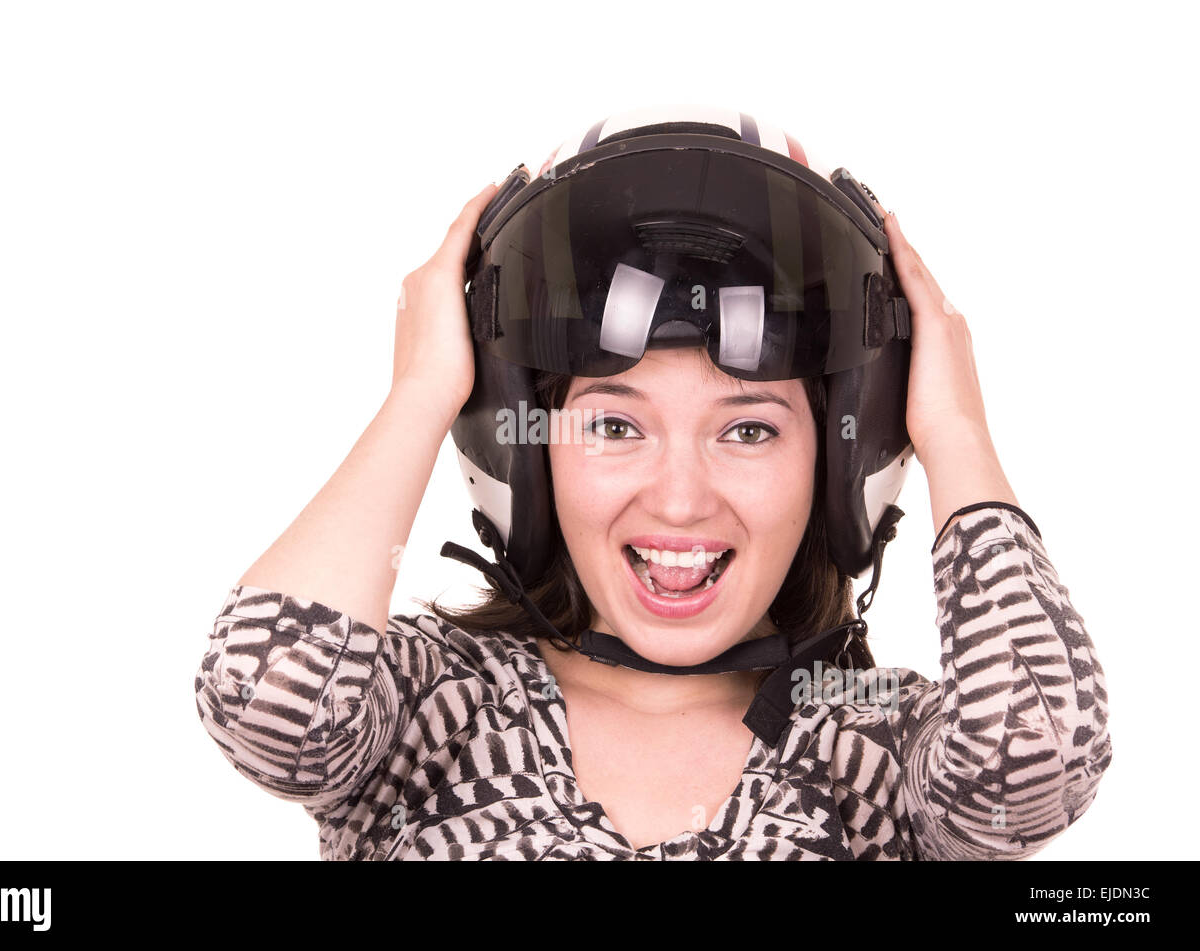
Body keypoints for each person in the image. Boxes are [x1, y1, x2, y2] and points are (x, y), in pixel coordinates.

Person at [193, 110, 1112, 860]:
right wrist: (424, 390)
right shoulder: (444, 703)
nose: (679, 500)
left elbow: (1039, 758)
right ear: (528, 450)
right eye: (615, 424)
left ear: (840, 461)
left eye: (748, 428)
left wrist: (953, 429)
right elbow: (265, 695)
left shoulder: (866, 733)